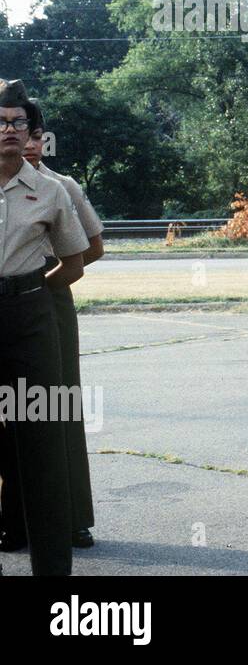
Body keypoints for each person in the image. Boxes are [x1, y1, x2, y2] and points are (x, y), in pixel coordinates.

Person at [0, 100, 104, 553]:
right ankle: (14, 519)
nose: (30, 142)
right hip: (20, 302)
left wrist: (36, 285)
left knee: (53, 412)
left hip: (47, 302)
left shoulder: (59, 187)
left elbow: (87, 250)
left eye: (34, 132)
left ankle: (69, 518)